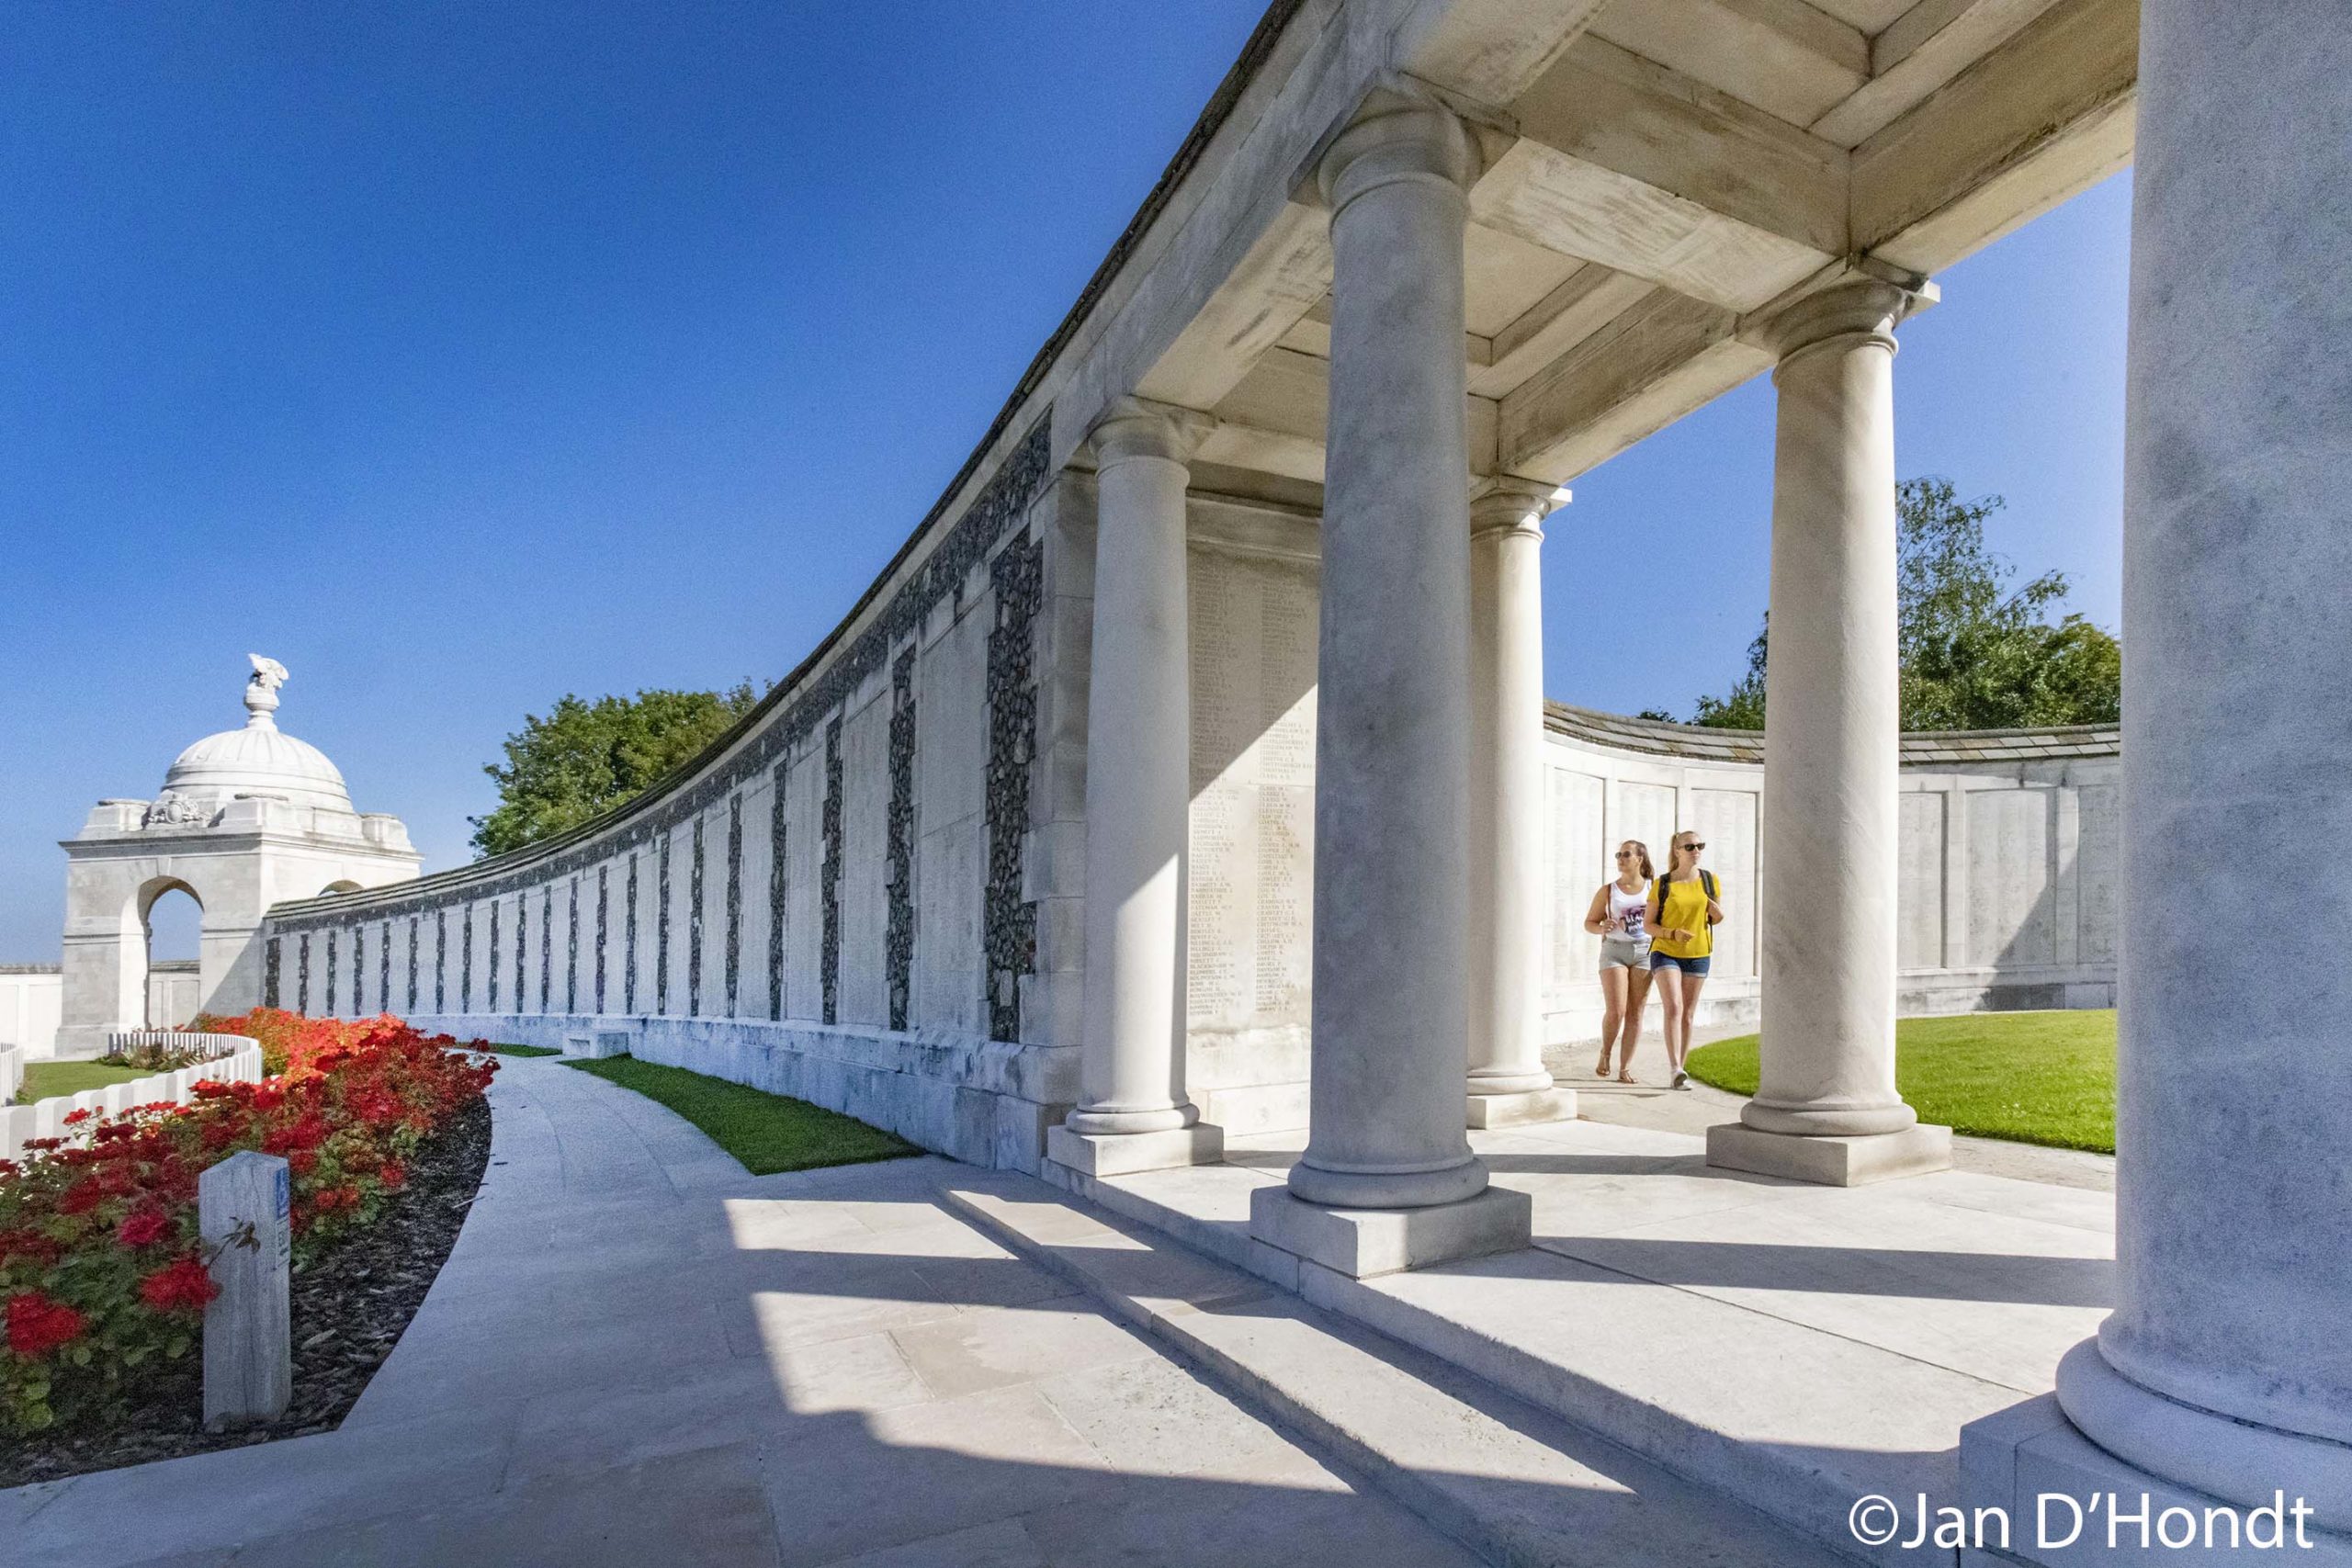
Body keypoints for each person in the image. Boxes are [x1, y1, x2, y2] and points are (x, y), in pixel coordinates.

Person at [1648, 829, 1725, 1090]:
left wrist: (1718, 914)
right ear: (1677, 850)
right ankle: (1674, 1067)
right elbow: (1649, 925)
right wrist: (1672, 933)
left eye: (1699, 845)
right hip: (1666, 950)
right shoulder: (1663, 883)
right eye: (1690, 846)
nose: (1696, 851)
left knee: (1688, 1015)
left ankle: (1679, 1072)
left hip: (1699, 953)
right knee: (1674, 1007)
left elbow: (1715, 918)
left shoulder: (1709, 880)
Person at [1583, 840, 1655, 1082]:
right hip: (1614, 951)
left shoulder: (1653, 889)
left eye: (1626, 854)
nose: (1621, 858)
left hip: (1645, 951)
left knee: (1636, 1012)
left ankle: (1624, 1068)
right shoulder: (1609, 890)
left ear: (1639, 859)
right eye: (1618, 854)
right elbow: (1589, 923)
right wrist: (1602, 926)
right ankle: (1606, 1052)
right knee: (1617, 1011)